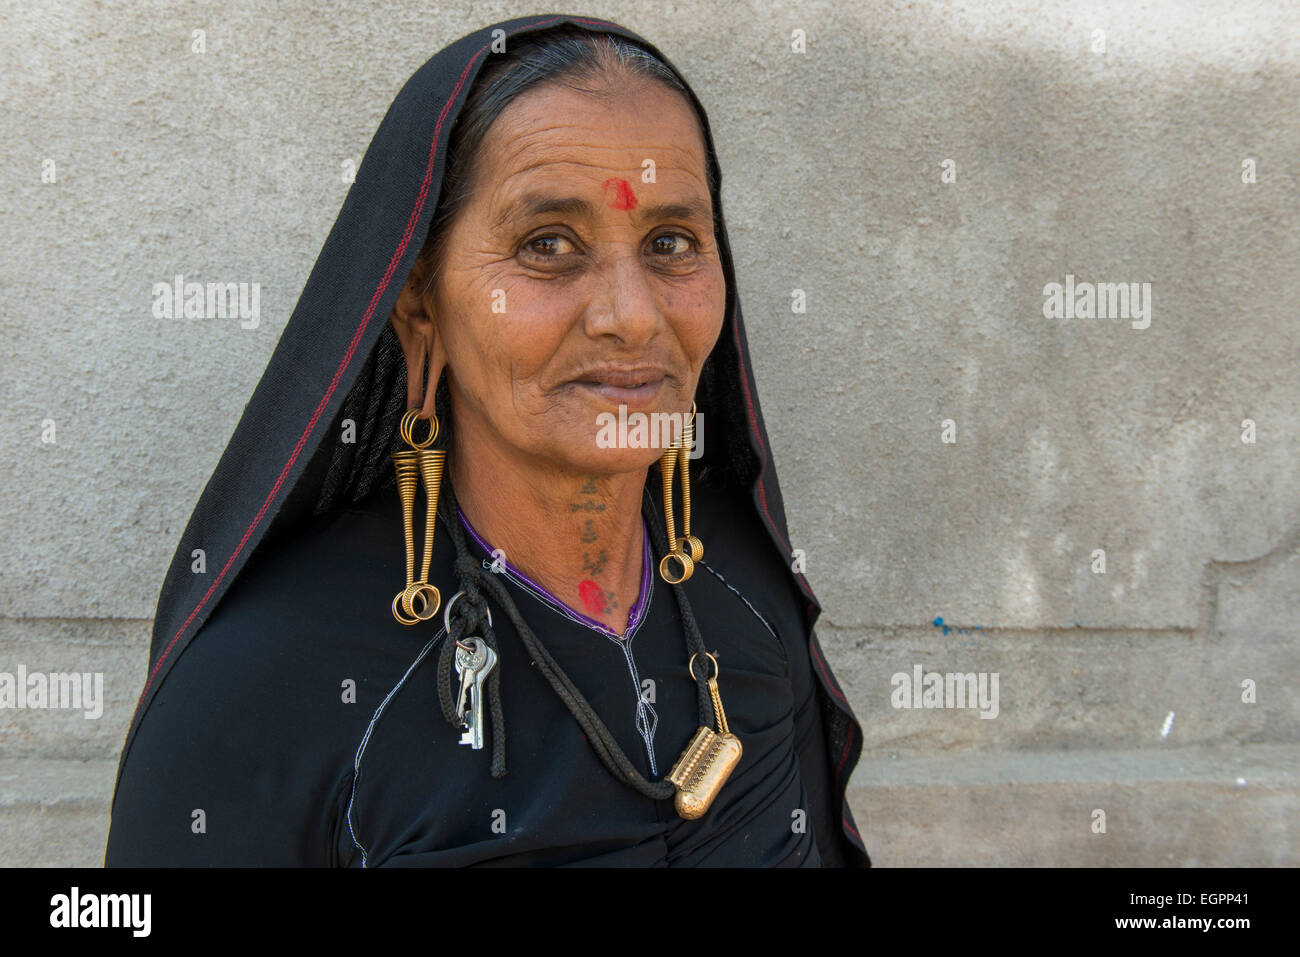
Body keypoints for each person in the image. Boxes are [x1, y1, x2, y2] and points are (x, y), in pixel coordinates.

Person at [105, 13, 871, 867]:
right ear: (421, 309)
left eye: (670, 243)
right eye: (548, 245)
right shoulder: (255, 688)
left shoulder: (748, 589)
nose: (633, 314)